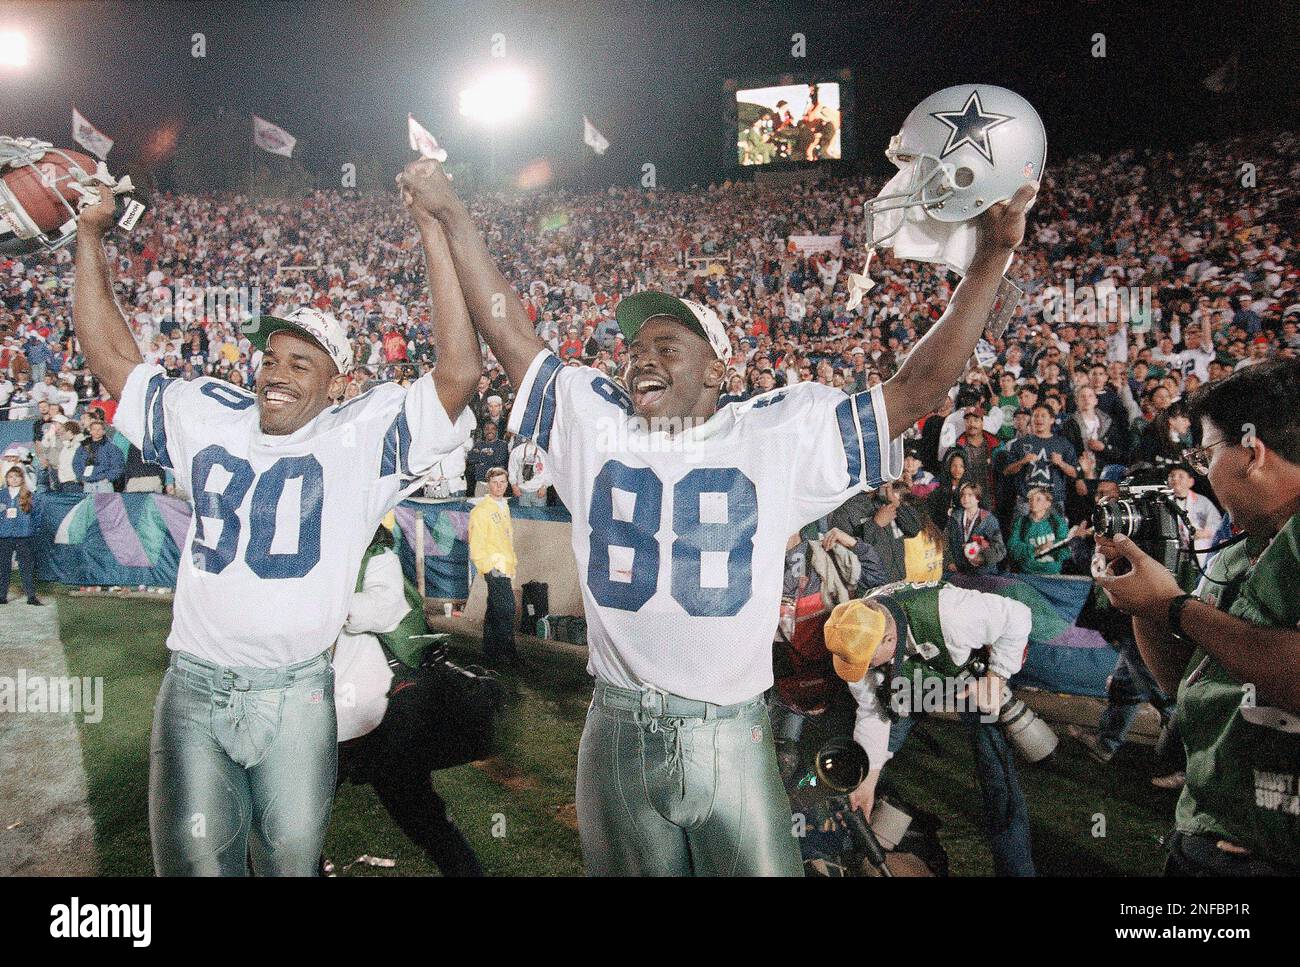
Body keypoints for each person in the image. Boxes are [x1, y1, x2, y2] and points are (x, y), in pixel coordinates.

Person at [401, 158, 1037, 875]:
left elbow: (919, 386)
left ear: (716, 371)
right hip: (615, 725)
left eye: (666, 347)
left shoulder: (774, 431)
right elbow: (507, 328)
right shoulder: (590, 418)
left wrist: (989, 259)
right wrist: (453, 216)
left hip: (730, 731)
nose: (639, 359)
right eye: (634, 348)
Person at [70, 163, 479, 876]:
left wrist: (432, 230)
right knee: (193, 868)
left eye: (299, 362)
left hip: (296, 693)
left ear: (338, 383)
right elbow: (112, 358)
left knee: (291, 866)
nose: (275, 373)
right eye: (269, 357)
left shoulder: (360, 436)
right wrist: (89, 236)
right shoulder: (211, 415)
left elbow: (458, 374)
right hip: (195, 685)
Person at [1094, 359, 1300, 875]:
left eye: (1207, 454)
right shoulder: (1237, 553)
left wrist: (1174, 607)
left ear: (1251, 453)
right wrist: (1142, 600)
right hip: (1210, 839)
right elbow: (1186, 682)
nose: (1206, 472)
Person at [829, 585, 1036, 876]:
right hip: (910, 681)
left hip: (969, 675)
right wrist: (866, 781)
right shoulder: (856, 634)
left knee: (995, 773)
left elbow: (1017, 615)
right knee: (867, 767)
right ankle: (880, 838)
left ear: (889, 638)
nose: (860, 669)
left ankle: (1018, 870)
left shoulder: (951, 613)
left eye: (866, 661)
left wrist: (996, 677)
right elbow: (872, 713)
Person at [332, 526, 483, 876]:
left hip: (382, 714)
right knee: (293, 824)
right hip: (330, 718)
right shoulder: (315, 552)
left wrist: (321, 597)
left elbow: (379, 610)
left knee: (425, 820)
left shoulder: (377, 557)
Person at [468, 467, 519, 666]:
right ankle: (508, 654)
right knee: (506, 609)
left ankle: (491, 654)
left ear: (507, 484)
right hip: (494, 566)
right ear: (488, 484)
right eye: (495, 482)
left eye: (502, 482)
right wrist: (488, 567)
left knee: (495, 609)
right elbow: (476, 543)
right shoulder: (480, 511)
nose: (499, 487)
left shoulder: (503, 507)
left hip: (505, 565)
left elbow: (506, 538)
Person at [1008, 485, 1075, 575]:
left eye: (1038, 499)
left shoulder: (1057, 522)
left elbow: (1067, 549)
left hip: (1053, 574)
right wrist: (1037, 549)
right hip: (1027, 574)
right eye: (1031, 499)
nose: (1033, 502)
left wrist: (1053, 548)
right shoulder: (1021, 522)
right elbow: (1012, 548)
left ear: (1048, 504)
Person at [0, 465, 42, 605]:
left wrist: (31, 529)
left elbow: (37, 515)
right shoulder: (2, 495)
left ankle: (31, 596)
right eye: (10, 477)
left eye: (16, 476)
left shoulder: (29, 495)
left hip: (23, 536)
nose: (13, 479)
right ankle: (2, 596)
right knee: (3, 567)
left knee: (26, 567)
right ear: (7, 479)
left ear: (21, 479)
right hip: (4, 536)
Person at [945, 482, 1006, 575]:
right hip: (958, 571)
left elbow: (1000, 550)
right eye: (963, 495)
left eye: (970, 495)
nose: (965, 498)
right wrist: (949, 562)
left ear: (978, 498)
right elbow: (945, 542)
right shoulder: (954, 518)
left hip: (983, 573)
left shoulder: (989, 520)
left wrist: (982, 558)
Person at [72, 419, 125, 494]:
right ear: (90, 431)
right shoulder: (83, 447)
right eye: (94, 429)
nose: (96, 432)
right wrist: (81, 477)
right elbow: (76, 463)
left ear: (104, 431)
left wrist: (108, 478)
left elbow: (118, 465)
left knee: (106, 505)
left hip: (104, 483)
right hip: (87, 483)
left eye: (99, 429)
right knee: (90, 505)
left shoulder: (111, 447)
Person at [507, 434, 549, 508]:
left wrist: (545, 486)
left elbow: (550, 471)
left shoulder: (544, 451)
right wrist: (513, 485)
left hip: (539, 491)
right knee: (522, 518)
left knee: (539, 518)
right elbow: (512, 470)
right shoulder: (517, 450)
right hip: (521, 492)